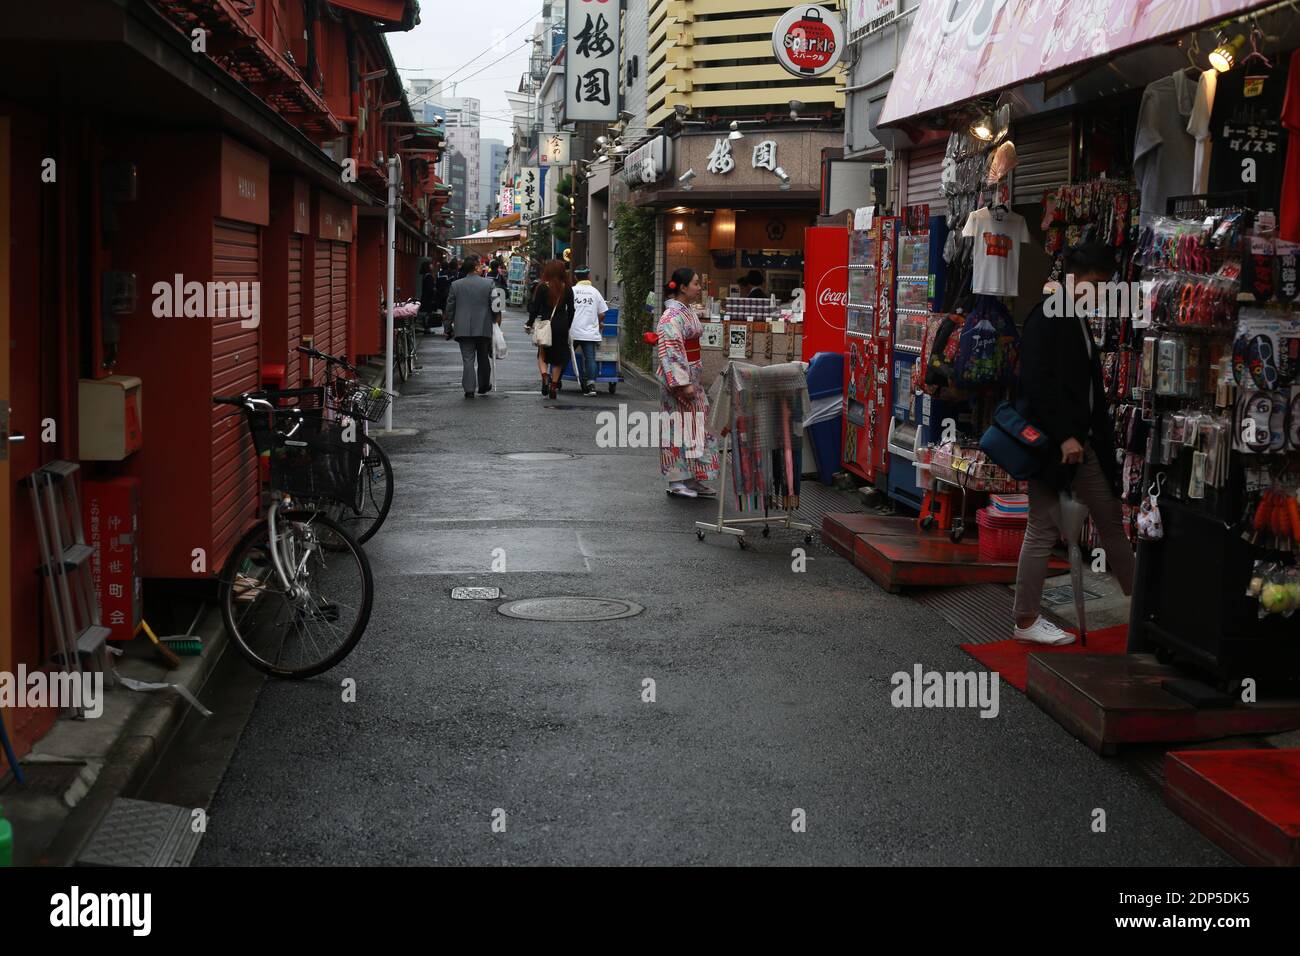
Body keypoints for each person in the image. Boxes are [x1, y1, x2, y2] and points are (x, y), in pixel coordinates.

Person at [1012, 242, 1135, 645]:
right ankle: (1026, 620)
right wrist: (1063, 435)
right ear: (1074, 280)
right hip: (1053, 448)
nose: (1101, 292)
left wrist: (1094, 437)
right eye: (1096, 284)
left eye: (1105, 285)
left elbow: (1088, 390)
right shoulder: (1047, 317)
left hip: (1083, 447)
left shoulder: (1075, 317)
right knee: (1042, 529)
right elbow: (1033, 384)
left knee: (1111, 522)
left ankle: (1143, 608)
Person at [656, 267, 720, 498]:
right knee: (676, 429)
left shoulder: (685, 312)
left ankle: (693, 477)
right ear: (682, 287)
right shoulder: (671, 317)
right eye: (695, 283)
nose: (698, 287)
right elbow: (671, 351)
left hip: (692, 376)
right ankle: (676, 480)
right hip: (679, 381)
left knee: (697, 428)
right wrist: (683, 383)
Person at [444, 253, 501, 398]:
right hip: (483, 326)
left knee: (467, 359)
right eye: (480, 265)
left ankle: (469, 390)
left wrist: (447, 328)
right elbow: (496, 305)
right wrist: (496, 320)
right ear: (476, 267)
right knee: (483, 356)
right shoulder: (489, 283)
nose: (482, 267)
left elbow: (449, 309)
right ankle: (483, 385)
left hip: (462, 328)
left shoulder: (456, 285)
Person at [528, 260, 575, 399]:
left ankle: (544, 377)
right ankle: (554, 385)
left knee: (542, 353)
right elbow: (572, 309)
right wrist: (568, 325)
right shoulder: (566, 287)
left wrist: (530, 322)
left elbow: (535, 308)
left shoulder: (542, 287)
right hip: (561, 325)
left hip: (545, 325)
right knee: (558, 359)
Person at [570, 266, 608, 396]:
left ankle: (556, 380)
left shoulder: (572, 291)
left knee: (565, 354)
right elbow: (602, 313)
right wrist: (595, 320)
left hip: (573, 331)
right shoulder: (595, 292)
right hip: (589, 332)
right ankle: (591, 384)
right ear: (589, 276)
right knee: (590, 358)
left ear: (575, 277)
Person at [418, 260, 438, 332]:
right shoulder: (429, 276)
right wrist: (435, 289)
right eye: (430, 264)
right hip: (429, 298)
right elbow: (430, 288)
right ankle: (427, 328)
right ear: (428, 266)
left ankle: (427, 328)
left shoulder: (425, 275)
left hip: (425, 297)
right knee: (428, 314)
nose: (432, 266)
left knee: (427, 313)